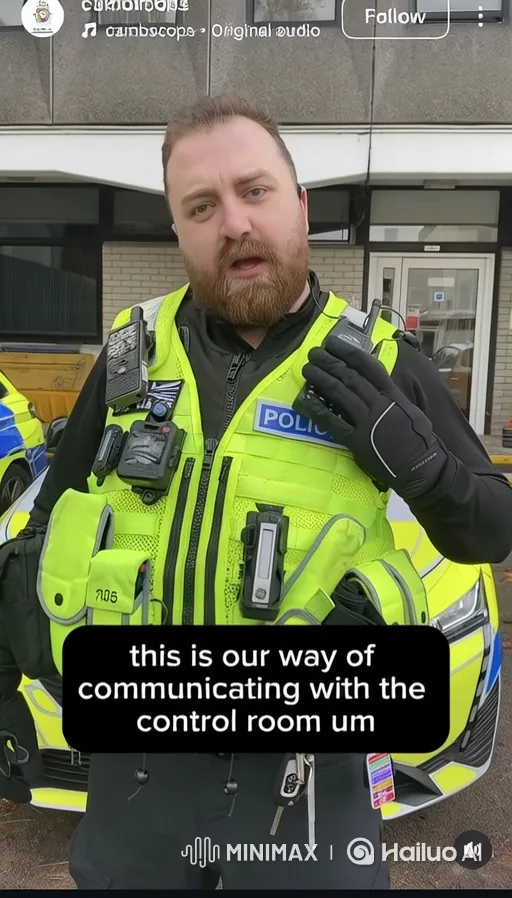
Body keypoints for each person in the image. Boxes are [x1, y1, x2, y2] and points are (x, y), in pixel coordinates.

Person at [1, 93, 512, 892]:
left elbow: (490, 533)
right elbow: (46, 524)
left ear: (302, 205)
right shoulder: (132, 354)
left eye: (256, 190)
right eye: (201, 206)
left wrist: (424, 468)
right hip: (136, 786)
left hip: (309, 792)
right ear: (179, 231)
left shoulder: (382, 360)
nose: (233, 223)